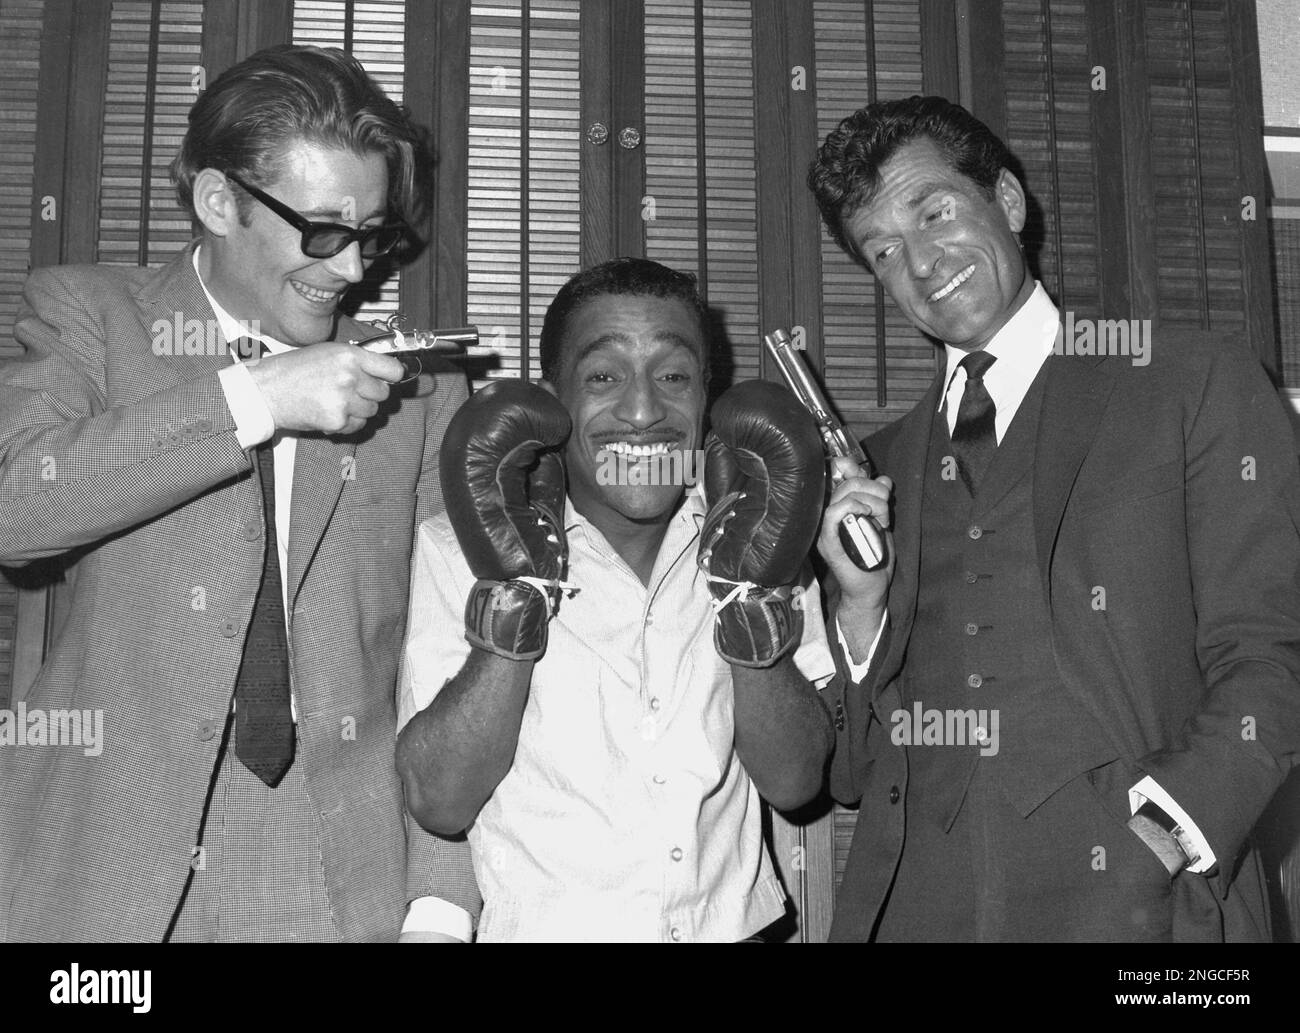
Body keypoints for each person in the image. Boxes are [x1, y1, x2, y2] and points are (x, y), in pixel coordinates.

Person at [0, 45, 474, 942]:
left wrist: (442, 898)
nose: (352, 271)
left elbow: (441, 653)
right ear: (219, 201)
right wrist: (255, 398)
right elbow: (15, 504)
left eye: (371, 233)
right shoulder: (91, 316)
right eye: (324, 230)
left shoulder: (422, 386)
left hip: (336, 861)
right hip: (107, 858)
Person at [808, 95, 1300, 941]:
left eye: (935, 212)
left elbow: (1275, 647)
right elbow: (848, 773)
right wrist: (858, 610)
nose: (921, 263)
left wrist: (1167, 835)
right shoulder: (878, 466)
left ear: (1006, 201)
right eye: (884, 250)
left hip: (1148, 905)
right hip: (919, 910)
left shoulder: (1189, 380)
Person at [394, 258, 837, 942]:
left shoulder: (764, 527)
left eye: (673, 376)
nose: (641, 410)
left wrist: (752, 600)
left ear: (706, 396)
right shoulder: (456, 545)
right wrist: (517, 595)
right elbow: (439, 800)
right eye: (603, 377)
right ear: (551, 400)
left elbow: (796, 779)